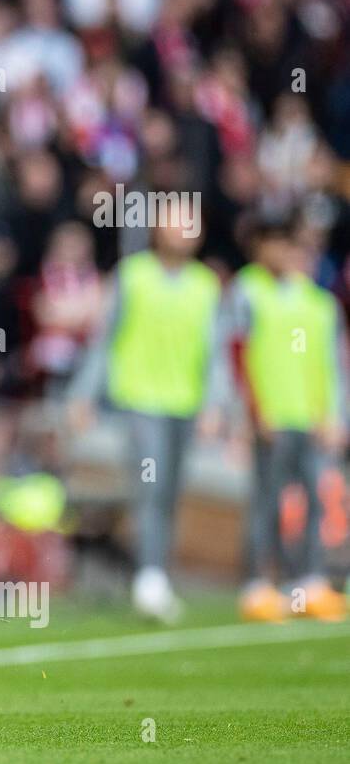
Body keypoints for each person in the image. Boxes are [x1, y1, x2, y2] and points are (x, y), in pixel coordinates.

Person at [68, 210, 223, 623]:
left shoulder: (205, 285)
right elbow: (106, 339)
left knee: (171, 491)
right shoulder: (133, 275)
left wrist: (216, 404)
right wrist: (83, 394)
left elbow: (215, 353)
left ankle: (157, 572)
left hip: (185, 402)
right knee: (149, 489)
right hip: (140, 399)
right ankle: (149, 578)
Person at [221, 214, 348, 623]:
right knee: (266, 501)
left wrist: (333, 415)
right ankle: (258, 583)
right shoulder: (249, 291)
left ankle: (307, 582)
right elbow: (238, 355)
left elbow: (330, 366)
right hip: (271, 417)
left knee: (314, 500)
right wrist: (251, 411)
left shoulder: (319, 302)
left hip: (310, 418)